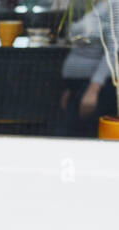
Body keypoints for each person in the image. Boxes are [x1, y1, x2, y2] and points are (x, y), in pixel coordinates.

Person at [59, 0, 119, 136]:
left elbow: (113, 51)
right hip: (77, 87)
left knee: (84, 139)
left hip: (96, 89)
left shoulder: (115, 4)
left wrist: (93, 90)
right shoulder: (87, 3)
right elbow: (78, 47)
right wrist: (69, 88)